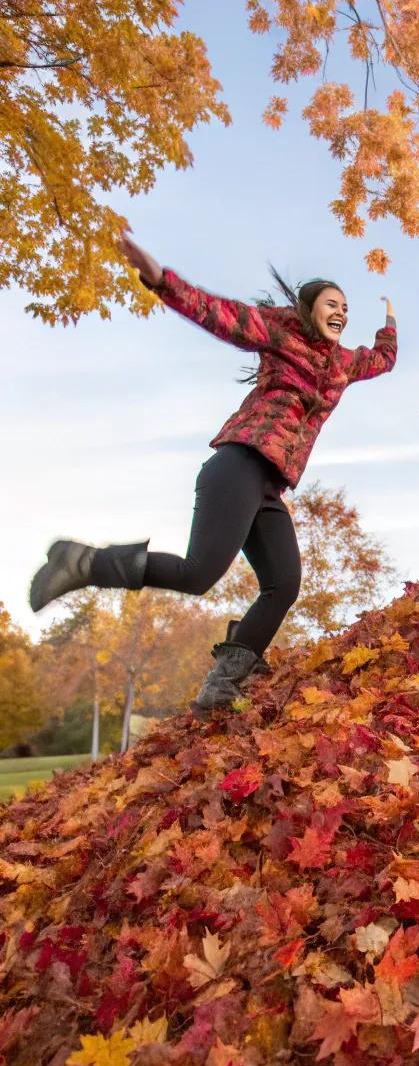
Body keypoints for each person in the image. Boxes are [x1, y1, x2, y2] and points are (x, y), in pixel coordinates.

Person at [29, 229, 397, 710]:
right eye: (332, 303)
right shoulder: (280, 331)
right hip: (240, 462)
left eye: (346, 307)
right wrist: (160, 278)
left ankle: (222, 688)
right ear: (309, 309)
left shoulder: (344, 364)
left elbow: (384, 359)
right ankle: (84, 563)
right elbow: (220, 314)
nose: (341, 312)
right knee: (198, 573)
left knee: (283, 584)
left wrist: (389, 320)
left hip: (270, 486)